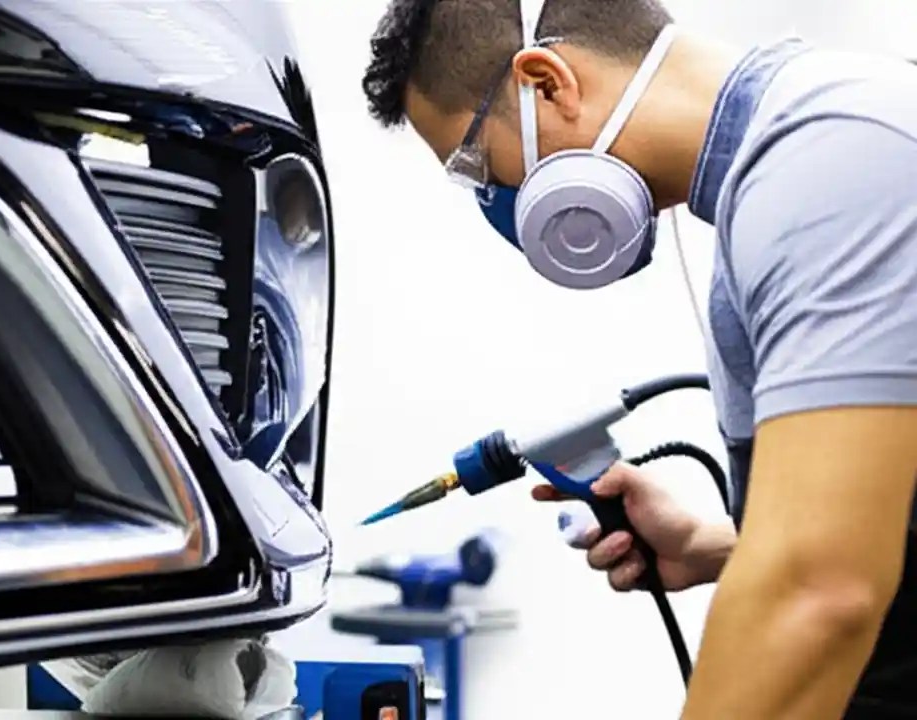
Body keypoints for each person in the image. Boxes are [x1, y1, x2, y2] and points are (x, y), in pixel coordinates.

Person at [361, 0, 917, 717]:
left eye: (476, 164)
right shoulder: (787, 181)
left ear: (548, 84)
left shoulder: (829, 158)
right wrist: (720, 545)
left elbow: (816, 591)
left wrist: (783, 569)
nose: (496, 199)